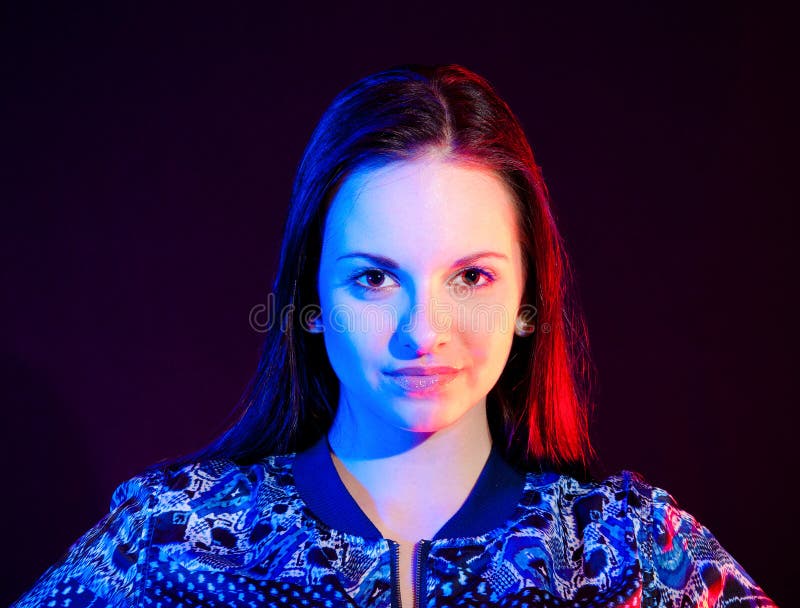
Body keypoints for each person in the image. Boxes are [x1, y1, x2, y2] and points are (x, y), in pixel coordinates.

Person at [13, 64, 775, 608]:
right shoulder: (173, 540)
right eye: (373, 278)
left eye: (470, 278)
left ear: (527, 299)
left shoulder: (631, 553)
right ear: (310, 298)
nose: (423, 332)